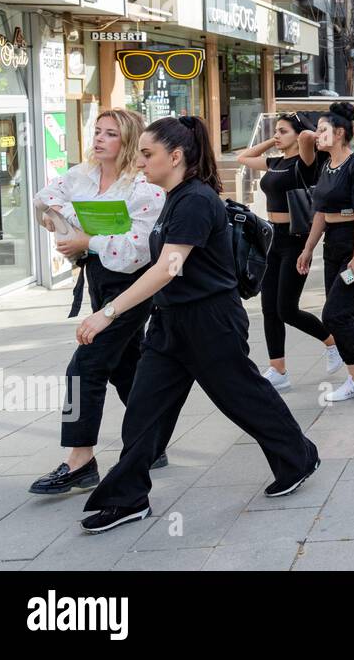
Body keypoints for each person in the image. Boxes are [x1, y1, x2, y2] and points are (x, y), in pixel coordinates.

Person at [76, 116, 320, 533]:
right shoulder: (172, 198)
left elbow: (168, 267)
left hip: (210, 321)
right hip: (170, 323)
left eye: (147, 154)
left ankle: (299, 457)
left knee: (243, 398)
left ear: (176, 156)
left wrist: (107, 312)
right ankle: (127, 498)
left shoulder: (194, 200)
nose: (139, 161)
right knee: (144, 410)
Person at [28, 109, 168, 496]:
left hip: (133, 284)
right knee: (125, 364)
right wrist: (69, 228)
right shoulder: (83, 174)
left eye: (110, 134)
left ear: (128, 141)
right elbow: (44, 200)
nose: (99, 139)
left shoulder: (143, 186)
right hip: (97, 276)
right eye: (98, 131)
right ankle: (152, 441)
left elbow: (138, 251)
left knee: (84, 365)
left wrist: (85, 238)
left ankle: (81, 461)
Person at [236, 112, 340, 391]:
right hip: (272, 238)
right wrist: (274, 141)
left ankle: (332, 342)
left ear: (297, 134)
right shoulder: (275, 162)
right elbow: (243, 158)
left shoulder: (306, 162)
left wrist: (305, 131)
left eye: (283, 131)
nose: (277, 135)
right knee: (269, 308)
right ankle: (278, 369)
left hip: (296, 240)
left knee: (287, 309)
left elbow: (306, 136)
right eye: (275, 131)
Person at [298, 102, 354, 402]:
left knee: (334, 313)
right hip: (334, 247)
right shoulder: (326, 166)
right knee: (345, 312)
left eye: (323, 130)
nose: (317, 135)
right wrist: (308, 249)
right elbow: (321, 214)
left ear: (339, 133)